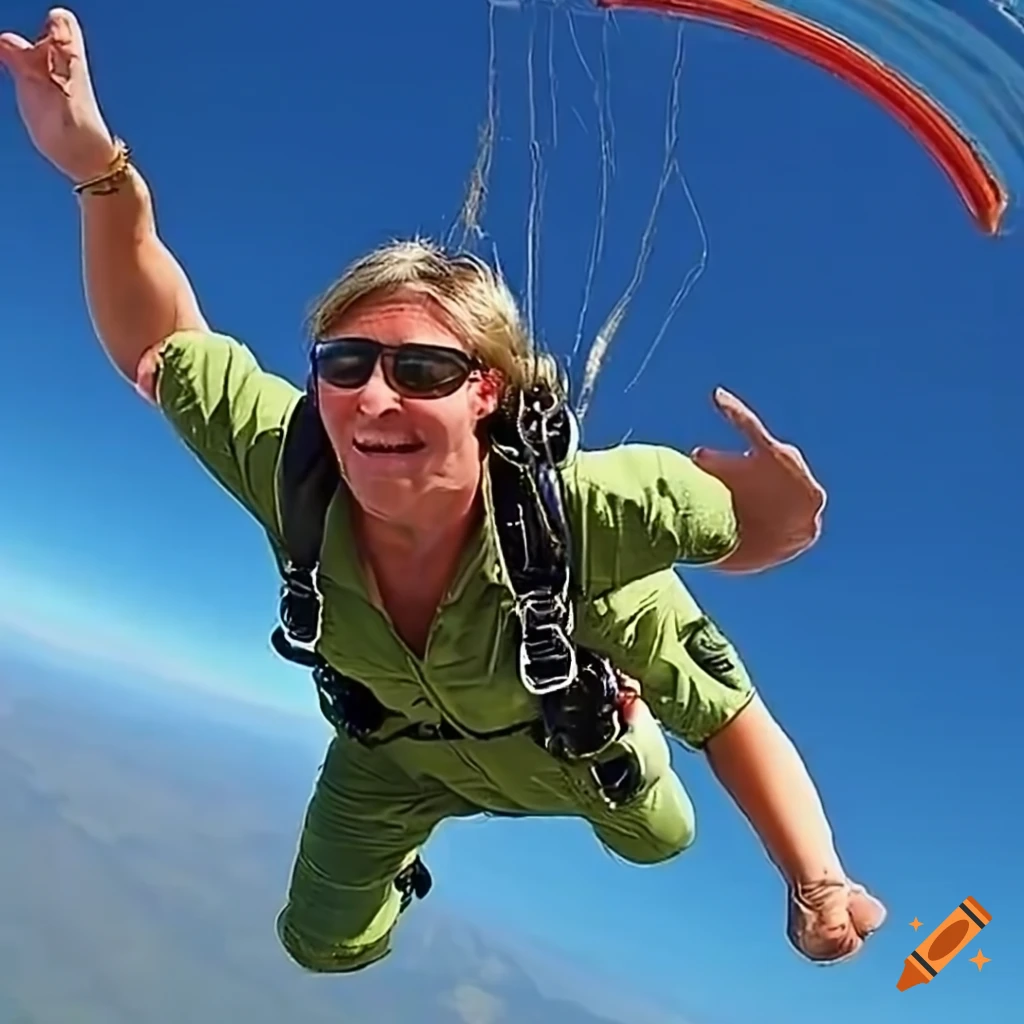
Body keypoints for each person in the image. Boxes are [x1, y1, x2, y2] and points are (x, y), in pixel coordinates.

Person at [1, 8, 886, 976]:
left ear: (487, 391)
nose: (373, 395)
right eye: (344, 362)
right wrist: (96, 169)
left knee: (658, 837)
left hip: (573, 751)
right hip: (394, 756)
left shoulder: (590, 516)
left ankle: (628, 744)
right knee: (323, 947)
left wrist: (816, 881)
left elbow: (732, 692)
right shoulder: (292, 456)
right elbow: (157, 340)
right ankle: (407, 860)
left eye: (421, 370)